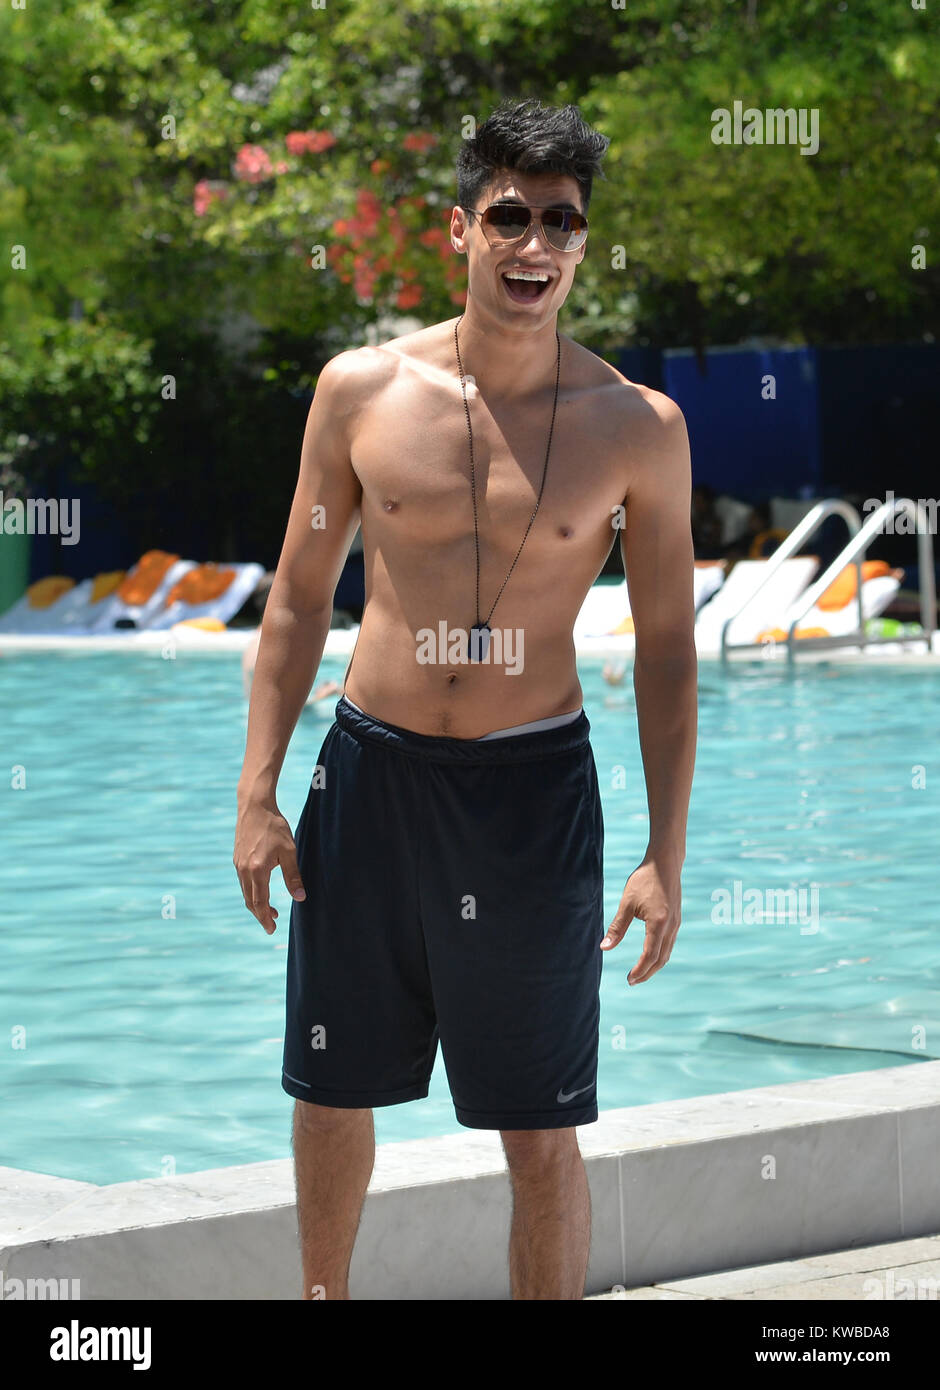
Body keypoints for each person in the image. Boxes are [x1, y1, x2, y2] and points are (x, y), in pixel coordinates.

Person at [234, 98, 697, 1301]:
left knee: (538, 1131)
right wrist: (257, 792)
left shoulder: (638, 430)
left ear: (583, 242)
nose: (534, 241)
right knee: (332, 1092)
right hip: (370, 775)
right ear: (461, 227)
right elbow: (294, 603)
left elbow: (665, 650)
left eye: (561, 220)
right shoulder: (360, 392)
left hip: (532, 794)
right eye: (509, 215)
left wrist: (665, 853)